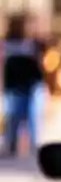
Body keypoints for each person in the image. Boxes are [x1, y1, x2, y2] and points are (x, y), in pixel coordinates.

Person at [2, 14, 47, 157]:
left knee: (28, 118)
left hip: (29, 86)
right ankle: (14, 145)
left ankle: (29, 146)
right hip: (17, 87)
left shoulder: (31, 43)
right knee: (15, 118)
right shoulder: (10, 44)